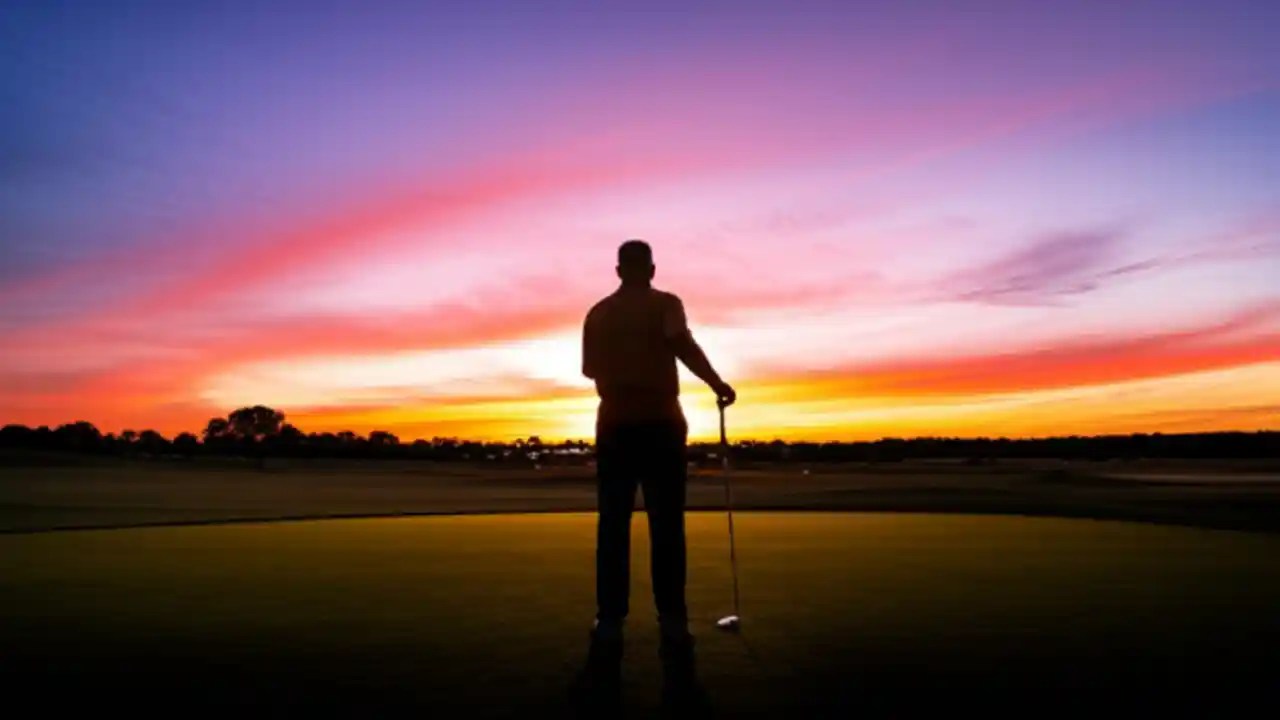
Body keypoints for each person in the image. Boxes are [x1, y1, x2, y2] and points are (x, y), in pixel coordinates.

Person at [578, 239, 735, 701]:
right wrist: (716, 382)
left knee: (613, 525)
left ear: (617, 269)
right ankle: (672, 621)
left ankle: (610, 622)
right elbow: (681, 344)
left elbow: (589, 370)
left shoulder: (598, 313)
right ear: (650, 267)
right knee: (667, 525)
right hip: (662, 424)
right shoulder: (667, 303)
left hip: (615, 424)